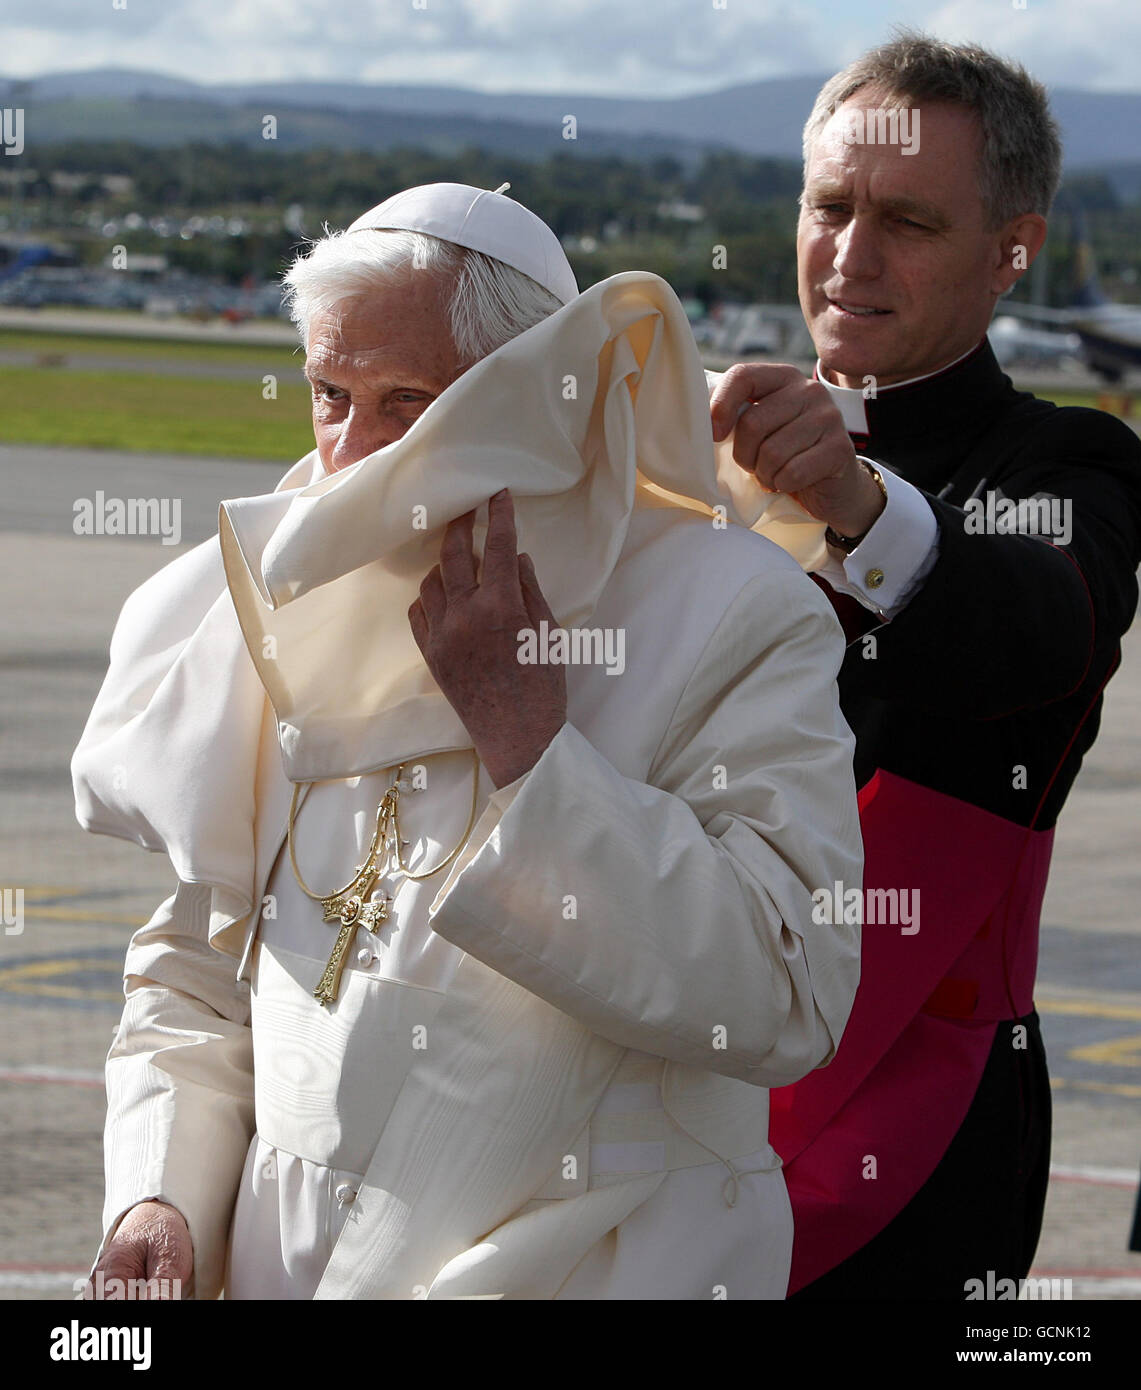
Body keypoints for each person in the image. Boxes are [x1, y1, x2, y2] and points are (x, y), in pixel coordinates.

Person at [73, 183, 863, 1300]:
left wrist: (534, 753)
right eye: (328, 394)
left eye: (406, 403)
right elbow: (199, 972)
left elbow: (789, 992)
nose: (350, 455)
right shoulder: (272, 600)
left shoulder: (722, 602)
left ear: (530, 397)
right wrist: (158, 1189)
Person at [709, 33, 1141, 1299]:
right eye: (829, 207)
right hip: (676, 1084)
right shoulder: (697, 452)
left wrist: (854, 503)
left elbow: (1029, 625)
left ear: (1014, 250)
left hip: (909, 1129)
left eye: (904, 220)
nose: (848, 256)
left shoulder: (1069, 465)